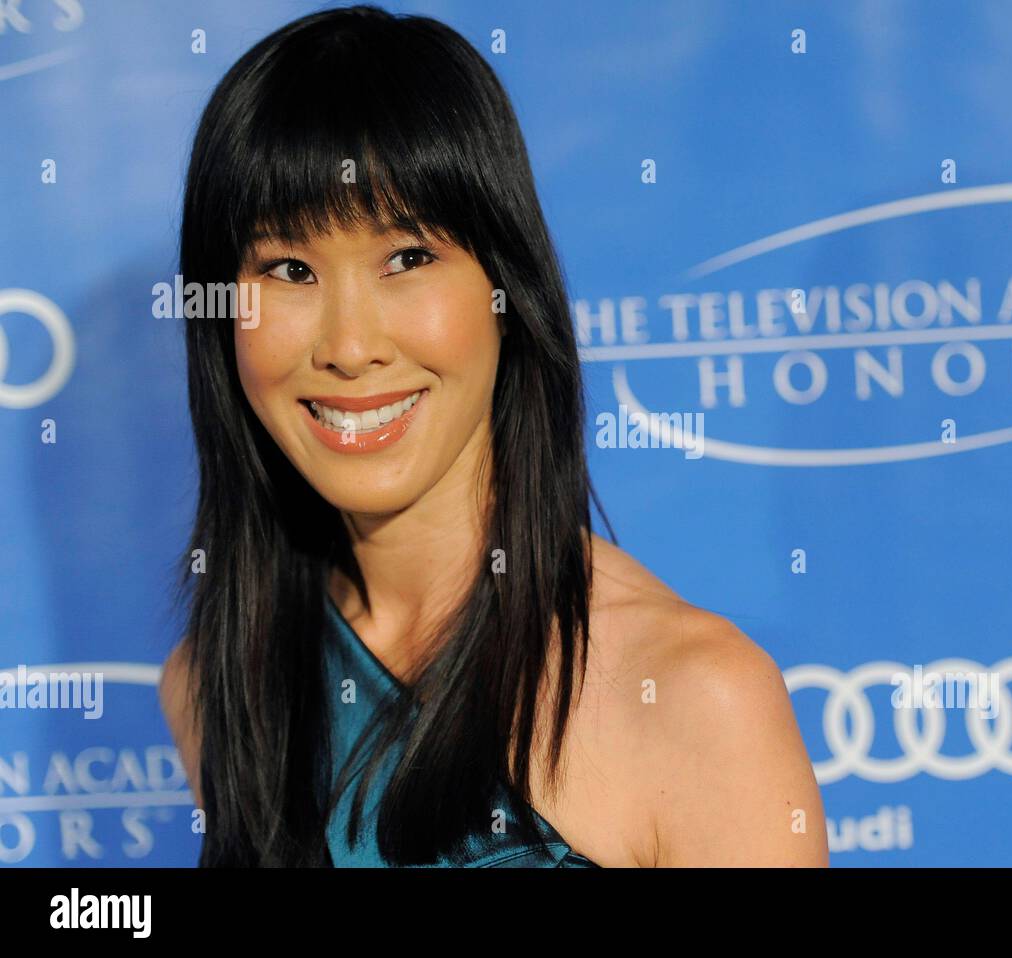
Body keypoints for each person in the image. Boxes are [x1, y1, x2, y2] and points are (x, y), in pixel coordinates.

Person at [158, 3, 827, 868]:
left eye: (407, 258)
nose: (350, 348)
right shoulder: (216, 687)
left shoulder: (695, 697)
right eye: (289, 270)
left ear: (506, 291)